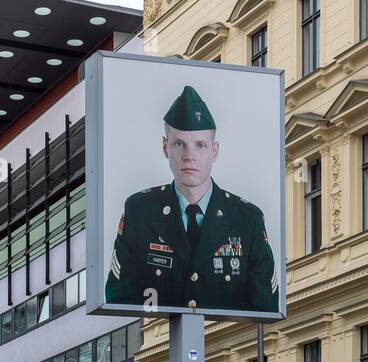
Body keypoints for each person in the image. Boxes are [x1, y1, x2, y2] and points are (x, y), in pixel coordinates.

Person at [105, 85, 278, 315]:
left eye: (200, 145)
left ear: (214, 151)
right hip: (163, 345)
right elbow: (120, 298)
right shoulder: (139, 212)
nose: (189, 156)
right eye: (179, 144)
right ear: (165, 147)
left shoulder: (247, 219)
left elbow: (265, 305)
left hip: (228, 345)